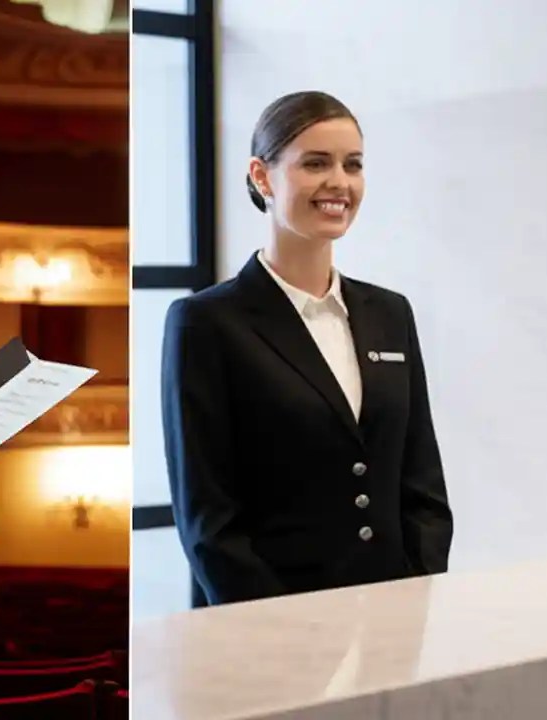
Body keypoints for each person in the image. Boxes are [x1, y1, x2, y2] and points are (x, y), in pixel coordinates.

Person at [161, 91, 453, 608]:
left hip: (392, 620)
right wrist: (285, 629)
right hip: (267, 628)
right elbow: (209, 521)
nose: (339, 182)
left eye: (353, 164)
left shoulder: (391, 314)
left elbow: (423, 484)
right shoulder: (207, 323)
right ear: (262, 176)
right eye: (316, 163)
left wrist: (415, 592)